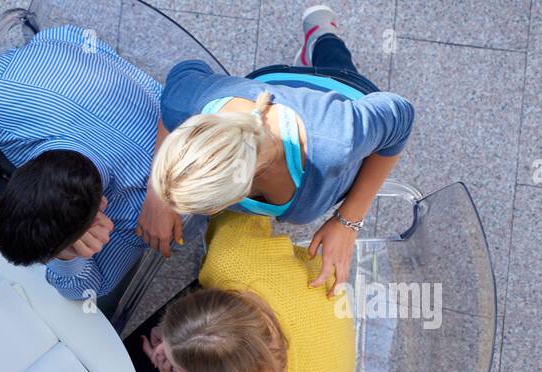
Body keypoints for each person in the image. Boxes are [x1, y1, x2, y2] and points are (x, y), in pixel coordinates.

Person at [139, 5, 414, 295]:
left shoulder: (337, 139)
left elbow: (401, 117)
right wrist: (158, 195)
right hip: (271, 81)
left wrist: (348, 221)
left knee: (336, 60)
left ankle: (322, 34)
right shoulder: (186, 104)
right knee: (329, 59)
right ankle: (319, 42)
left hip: (345, 91)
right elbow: (182, 76)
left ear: (238, 194)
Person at [0, 24, 162, 308]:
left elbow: (93, 289)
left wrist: (68, 256)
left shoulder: (145, 203)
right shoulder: (1, 97)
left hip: (151, 115)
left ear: (102, 209)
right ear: (21, 171)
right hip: (59, 67)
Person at [127, 211, 356, 372]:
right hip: (319, 304)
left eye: (176, 366)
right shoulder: (230, 260)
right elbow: (245, 201)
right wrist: (174, 336)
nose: (160, 353)